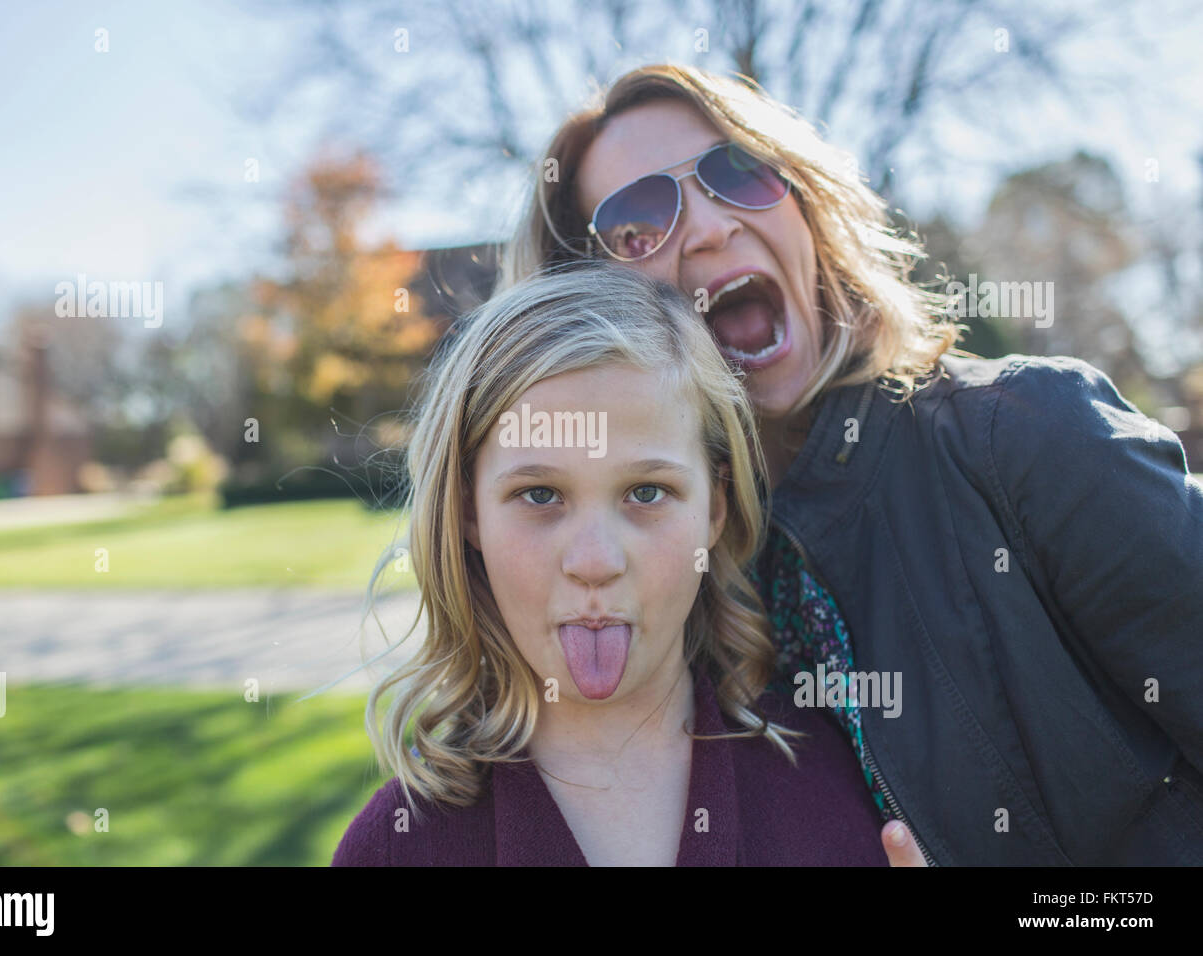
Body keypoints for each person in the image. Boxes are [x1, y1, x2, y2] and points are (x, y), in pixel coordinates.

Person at [496, 62, 1203, 865]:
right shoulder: (666, 584)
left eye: (740, 171)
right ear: (589, 305)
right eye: (638, 222)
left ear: (804, 201)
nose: (709, 227)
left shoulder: (1033, 435)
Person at [331, 263, 890, 866]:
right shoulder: (395, 847)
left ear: (715, 508)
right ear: (469, 514)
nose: (595, 562)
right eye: (540, 496)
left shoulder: (838, 789)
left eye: (646, 493)